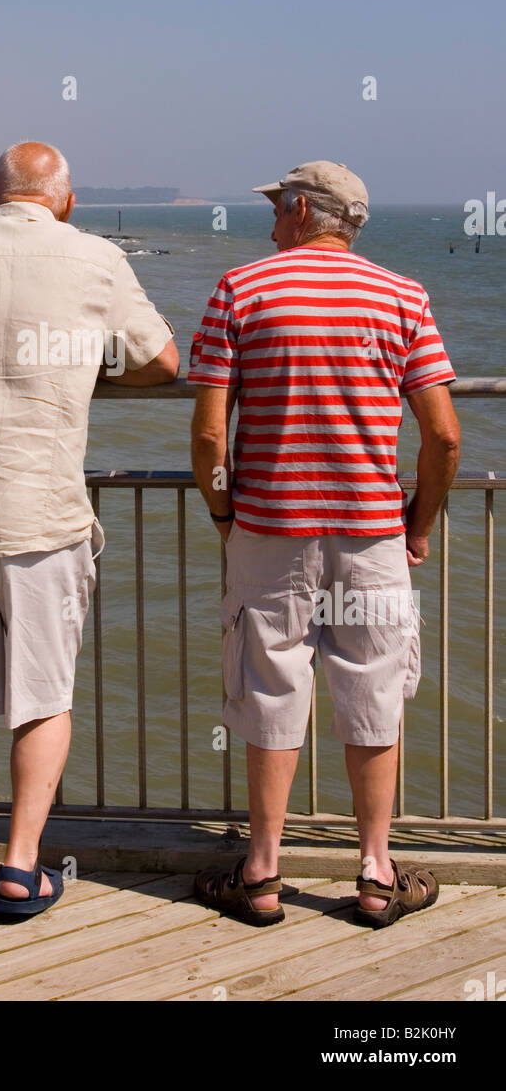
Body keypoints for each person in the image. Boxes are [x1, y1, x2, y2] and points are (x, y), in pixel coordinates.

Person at [0, 141, 179, 929]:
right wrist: (88, 366)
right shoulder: (99, 257)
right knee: (43, 696)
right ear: (69, 202)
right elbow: (163, 362)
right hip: (42, 514)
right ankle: (21, 868)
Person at [189, 161, 459, 929]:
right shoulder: (404, 296)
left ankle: (264, 873)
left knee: (272, 690)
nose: (272, 220)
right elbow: (442, 434)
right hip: (371, 535)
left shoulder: (241, 289)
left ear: (304, 210)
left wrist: (221, 514)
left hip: (269, 533)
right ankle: (376, 874)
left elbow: (211, 431)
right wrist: (420, 524)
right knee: (373, 693)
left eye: (278, 207)